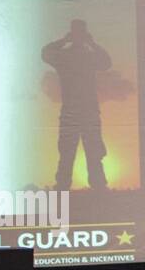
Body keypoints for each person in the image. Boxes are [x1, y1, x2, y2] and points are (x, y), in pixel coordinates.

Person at [42, 18, 111, 190]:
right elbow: (106, 62)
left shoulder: (67, 56)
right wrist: (90, 43)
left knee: (81, 152)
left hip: (79, 112)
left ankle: (89, 185)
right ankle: (94, 186)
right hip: (83, 112)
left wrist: (65, 41)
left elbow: (46, 53)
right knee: (75, 152)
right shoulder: (84, 56)